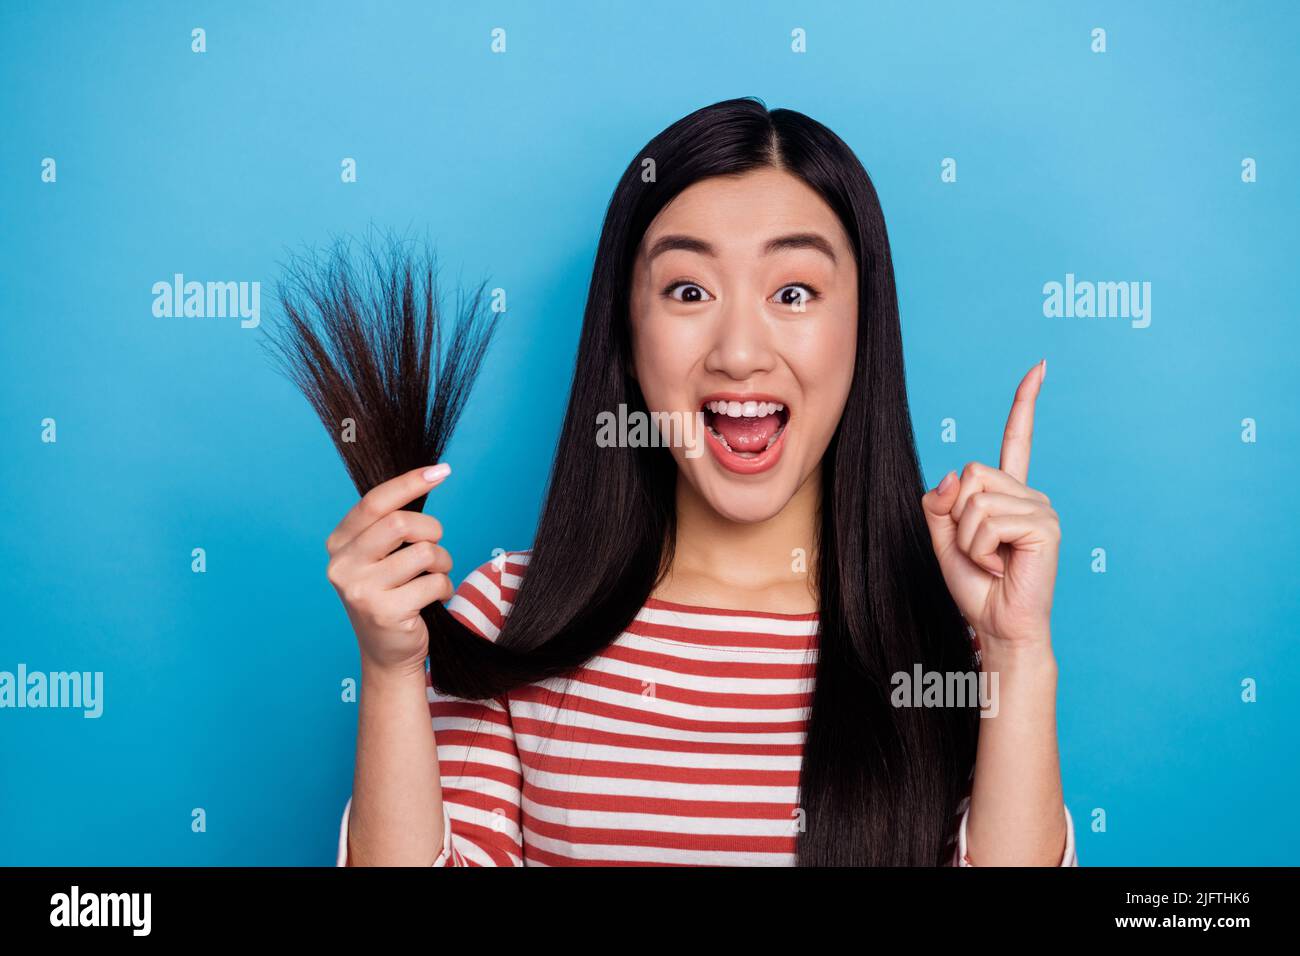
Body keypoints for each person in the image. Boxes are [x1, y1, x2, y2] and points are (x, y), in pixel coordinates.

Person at [326, 98, 1074, 866]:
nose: (740, 351)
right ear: (627, 332)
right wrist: (388, 675)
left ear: (863, 325)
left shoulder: (947, 643)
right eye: (688, 291)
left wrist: (1017, 655)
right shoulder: (507, 618)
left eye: (794, 292)